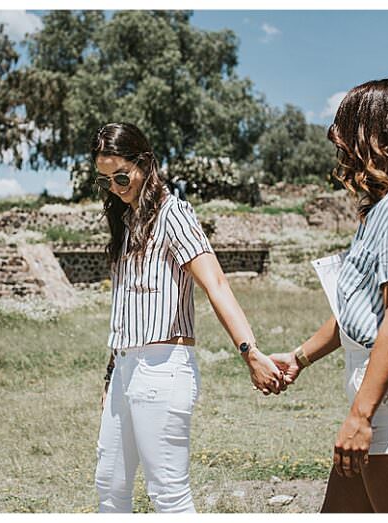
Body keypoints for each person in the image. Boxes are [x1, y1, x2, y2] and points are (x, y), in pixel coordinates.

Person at [269, 79, 388, 513]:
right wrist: (299, 358)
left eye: (344, 129)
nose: (336, 140)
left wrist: (361, 417)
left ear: (374, 135)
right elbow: (364, 313)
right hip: (382, 400)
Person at [92, 122, 285, 513]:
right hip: (126, 368)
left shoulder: (173, 214)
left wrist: (249, 351)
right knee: (109, 486)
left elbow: (216, 284)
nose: (115, 187)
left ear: (145, 163)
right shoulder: (127, 221)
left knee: (168, 494)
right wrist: (113, 372)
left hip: (162, 368)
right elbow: (127, 307)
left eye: (121, 176)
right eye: (104, 180)